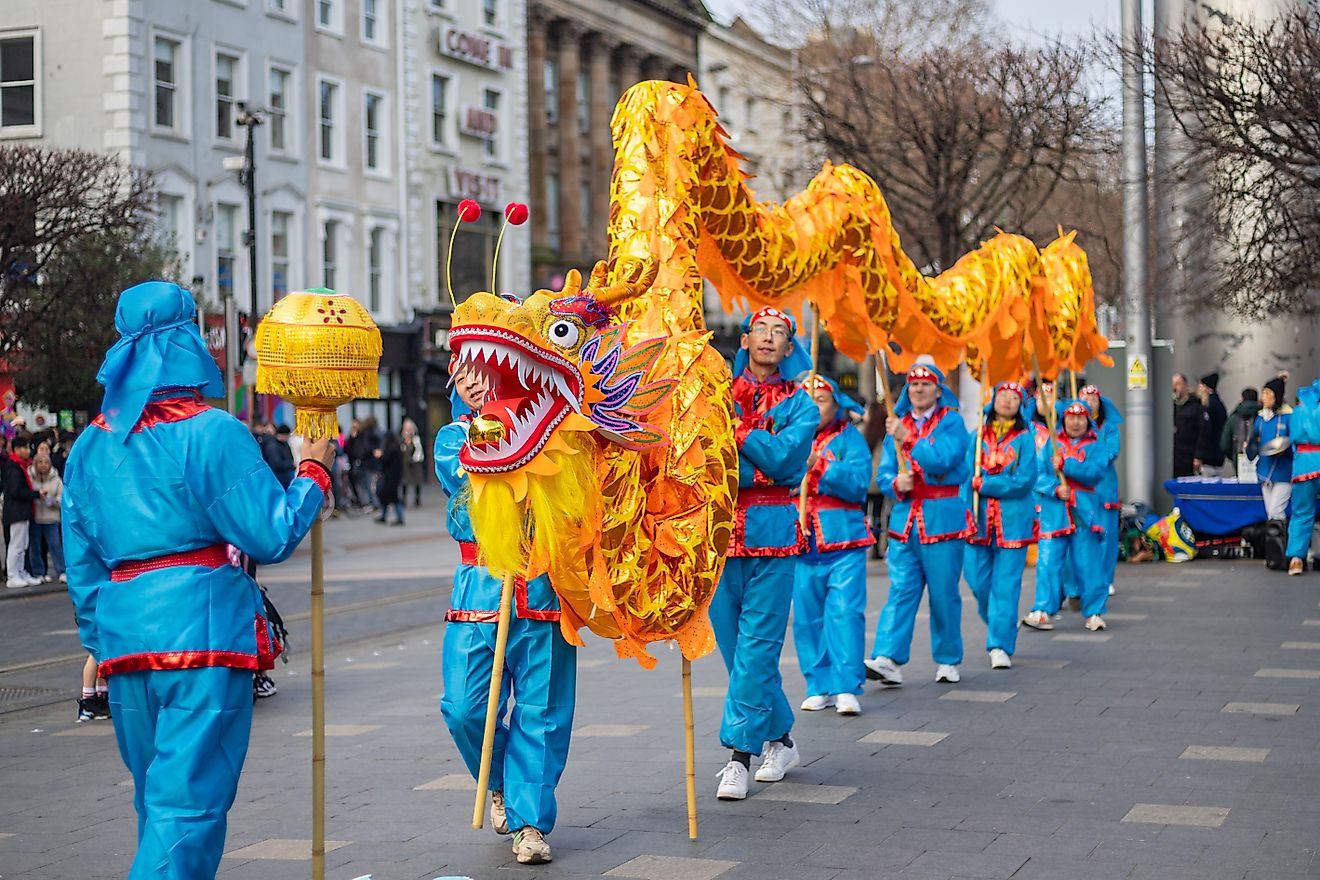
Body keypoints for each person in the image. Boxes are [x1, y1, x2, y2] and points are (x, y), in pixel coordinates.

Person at [62, 281, 332, 880]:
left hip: (126, 640)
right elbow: (270, 533)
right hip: (202, 635)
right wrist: (313, 470)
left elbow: (81, 564)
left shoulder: (89, 447)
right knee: (187, 810)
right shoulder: (212, 431)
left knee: (157, 803)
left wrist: (99, 637)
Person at [435, 366, 575, 865]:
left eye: (484, 370)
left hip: (542, 586)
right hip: (479, 587)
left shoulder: (559, 427)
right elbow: (471, 471)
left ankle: (530, 821)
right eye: (463, 372)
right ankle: (497, 783)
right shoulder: (451, 438)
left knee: (541, 710)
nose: (473, 381)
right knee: (463, 707)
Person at [712, 307, 816, 802]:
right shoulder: (714, 397)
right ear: (747, 338)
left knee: (756, 650)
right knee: (738, 654)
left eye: (780, 332)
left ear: (790, 345)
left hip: (773, 536)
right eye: (762, 330)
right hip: (715, 539)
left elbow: (784, 459)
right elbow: (710, 466)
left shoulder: (803, 405)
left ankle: (738, 757)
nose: (769, 338)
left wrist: (739, 437)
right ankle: (783, 738)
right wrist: (757, 461)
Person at [866, 362, 970, 686]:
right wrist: (896, 482)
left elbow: (943, 461)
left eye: (925, 385)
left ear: (939, 390)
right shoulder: (897, 424)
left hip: (943, 519)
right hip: (905, 521)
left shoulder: (952, 422)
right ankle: (888, 657)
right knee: (901, 590)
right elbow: (883, 474)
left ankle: (949, 658)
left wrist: (908, 438)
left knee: (943, 594)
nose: (918, 390)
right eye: (913, 385)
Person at [792, 375, 874, 716]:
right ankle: (818, 684)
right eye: (807, 399)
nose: (814, 406)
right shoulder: (791, 437)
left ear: (836, 405)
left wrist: (820, 465)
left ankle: (846, 685)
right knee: (806, 619)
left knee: (845, 614)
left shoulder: (850, 439)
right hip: (801, 540)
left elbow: (857, 484)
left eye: (821, 399)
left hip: (844, 540)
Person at [963, 381, 1037, 670]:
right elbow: (964, 477)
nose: (1007, 401)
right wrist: (966, 511)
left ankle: (999, 644)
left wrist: (988, 484)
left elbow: (1024, 480)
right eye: (1002, 395)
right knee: (978, 582)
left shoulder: (1026, 439)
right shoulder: (977, 436)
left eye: (1013, 397)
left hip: (1013, 522)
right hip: (979, 523)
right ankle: (1001, 622)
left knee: (1005, 585)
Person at [1022, 401, 1110, 632]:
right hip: (1055, 513)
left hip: (1084, 512)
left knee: (1088, 563)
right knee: (1048, 562)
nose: (1075, 422)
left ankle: (1094, 611)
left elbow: (1096, 472)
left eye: (1080, 417)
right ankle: (1043, 609)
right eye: (1071, 417)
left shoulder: (1095, 446)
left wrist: (1067, 465)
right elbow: (1036, 475)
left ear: (1087, 421)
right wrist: (1054, 488)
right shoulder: (1051, 445)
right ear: (1063, 420)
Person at [1081, 385, 1124, 596]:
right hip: (1081, 488)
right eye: (1085, 399)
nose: (1090, 402)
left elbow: (1111, 450)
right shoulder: (1074, 426)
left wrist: (1092, 458)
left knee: (1107, 534)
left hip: (1104, 486)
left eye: (1093, 399)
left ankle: (1106, 579)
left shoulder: (1108, 427)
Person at [1246, 373, 1293, 522]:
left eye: (1267, 393)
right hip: (1264, 471)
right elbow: (1253, 448)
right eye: (1263, 392)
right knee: (1269, 513)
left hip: (1284, 472)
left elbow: (1295, 445)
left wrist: (1286, 450)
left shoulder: (1288, 417)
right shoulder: (1260, 419)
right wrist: (1250, 444)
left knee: (1276, 511)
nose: (1263, 397)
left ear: (1276, 396)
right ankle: (1275, 543)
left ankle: (1281, 543)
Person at [1287, 378, 1320, 575]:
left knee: (1301, 514)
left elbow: (1292, 441)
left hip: (1302, 468)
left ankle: (1296, 559)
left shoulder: (1297, 412)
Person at [3, 432, 41, 588]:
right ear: (17, 449)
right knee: (16, 545)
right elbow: (15, 491)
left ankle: (20, 571)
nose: (28, 451)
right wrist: (36, 494)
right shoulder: (13, 468)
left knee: (22, 544)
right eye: (25, 448)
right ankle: (13, 574)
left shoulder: (19, 466)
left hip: (21, 511)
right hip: (16, 511)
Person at [28, 447, 65, 583]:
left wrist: (51, 500)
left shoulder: (56, 479)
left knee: (55, 545)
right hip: (35, 517)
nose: (43, 465)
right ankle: (39, 573)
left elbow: (62, 499)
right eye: (40, 462)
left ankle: (61, 571)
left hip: (51, 517)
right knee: (36, 547)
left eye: (46, 462)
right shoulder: (29, 476)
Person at [1195, 372, 1228, 477]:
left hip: (1207, 456)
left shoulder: (1207, 406)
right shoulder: (1220, 404)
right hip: (1219, 457)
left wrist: (1199, 455)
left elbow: (1205, 431)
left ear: (1207, 388)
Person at [1221, 388, 1262, 467]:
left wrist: (1233, 456)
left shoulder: (1233, 418)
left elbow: (1224, 444)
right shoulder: (1262, 416)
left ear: (1242, 398)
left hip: (1239, 459)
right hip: (1259, 461)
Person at [1172, 372, 1202, 478]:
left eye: (1178, 384)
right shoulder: (1171, 407)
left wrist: (1198, 456)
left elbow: (1202, 432)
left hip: (1188, 455)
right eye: (1173, 385)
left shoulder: (1195, 406)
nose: (1175, 388)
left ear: (1186, 386)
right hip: (1173, 456)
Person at [375, 431, 405, 525]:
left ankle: (399, 517)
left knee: (393, 498)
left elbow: (385, 461)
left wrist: (379, 456)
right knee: (388, 497)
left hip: (390, 478)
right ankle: (384, 516)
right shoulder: (396, 448)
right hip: (394, 477)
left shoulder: (390, 449)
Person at [261, 424, 297, 488]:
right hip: (278, 477)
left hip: (285, 476)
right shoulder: (273, 446)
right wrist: (291, 465)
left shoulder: (284, 444)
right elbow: (277, 463)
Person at [401, 417, 426, 507]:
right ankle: (403, 499)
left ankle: (417, 499)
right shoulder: (402, 439)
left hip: (415, 463)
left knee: (417, 482)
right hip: (405, 464)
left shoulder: (416, 439)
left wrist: (414, 459)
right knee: (405, 482)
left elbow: (419, 451)